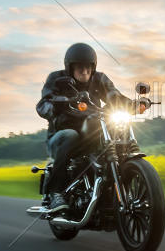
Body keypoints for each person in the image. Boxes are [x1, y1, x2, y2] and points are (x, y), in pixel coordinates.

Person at [35, 42, 146, 212]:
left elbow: (114, 96)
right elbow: (42, 105)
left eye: (88, 67)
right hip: (61, 134)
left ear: (93, 67)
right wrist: (58, 104)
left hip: (93, 128)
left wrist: (136, 105)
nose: (84, 71)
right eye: (80, 67)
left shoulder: (99, 79)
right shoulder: (57, 79)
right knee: (71, 135)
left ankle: (134, 188)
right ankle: (57, 193)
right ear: (70, 67)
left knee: (117, 134)